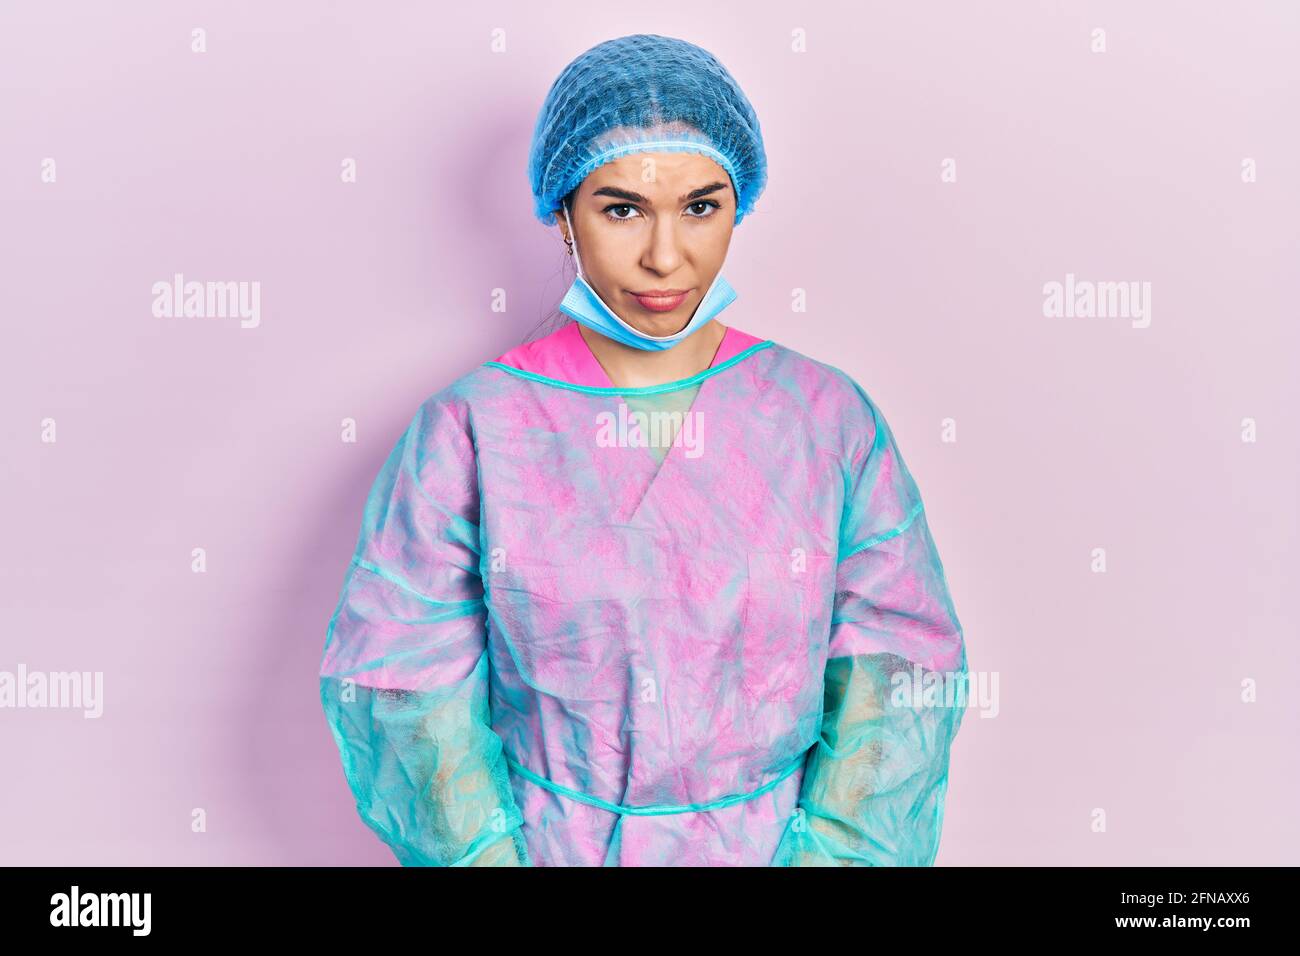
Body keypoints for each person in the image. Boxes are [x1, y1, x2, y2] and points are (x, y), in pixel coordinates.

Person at [319, 33, 969, 867]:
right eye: (621, 208)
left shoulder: (824, 418)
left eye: (701, 206)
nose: (665, 257)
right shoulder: (473, 431)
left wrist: (836, 857)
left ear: (742, 202)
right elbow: (403, 683)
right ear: (562, 211)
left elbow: (897, 670)